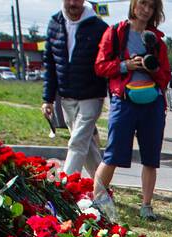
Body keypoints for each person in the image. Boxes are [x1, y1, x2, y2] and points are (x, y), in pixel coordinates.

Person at [93, 0, 172, 221]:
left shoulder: (157, 40)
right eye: (143, 4)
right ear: (134, 5)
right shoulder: (116, 32)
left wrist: (152, 68)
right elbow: (100, 66)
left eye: (151, 7)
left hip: (152, 103)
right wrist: (125, 65)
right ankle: (97, 201)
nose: (146, 10)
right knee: (113, 153)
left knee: (150, 157)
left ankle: (146, 206)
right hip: (124, 100)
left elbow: (165, 77)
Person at [42, 0, 109, 178]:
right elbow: (50, 63)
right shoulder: (54, 23)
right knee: (86, 147)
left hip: (92, 96)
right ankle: (102, 189)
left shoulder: (99, 27)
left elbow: (106, 63)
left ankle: (65, 188)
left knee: (77, 143)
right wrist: (47, 99)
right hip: (66, 97)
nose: (73, 3)